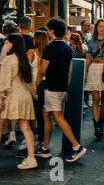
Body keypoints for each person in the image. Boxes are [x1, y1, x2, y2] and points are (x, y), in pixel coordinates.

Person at [0, 35, 39, 170]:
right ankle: (31, 157)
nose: (6, 44)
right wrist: (33, 94)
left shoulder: (9, 60)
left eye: (7, 42)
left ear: (12, 44)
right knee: (25, 127)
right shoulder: (24, 59)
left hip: (12, 97)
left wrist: (0, 100)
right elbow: (30, 81)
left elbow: (4, 82)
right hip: (25, 96)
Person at [37, 18, 86, 163]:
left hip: (52, 88)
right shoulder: (67, 48)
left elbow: (42, 71)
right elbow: (69, 72)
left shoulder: (50, 48)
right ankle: (45, 148)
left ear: (51, 31)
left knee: (57, 118)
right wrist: (66, 90)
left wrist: (34, 87)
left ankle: (77, 147)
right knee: (46, 115)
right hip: (61, 88)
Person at [85, 19, 104, 140]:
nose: (102, 28)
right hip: (94, 69)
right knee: (96, 99)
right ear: (96, 28)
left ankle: (101, 123)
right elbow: (88, 58)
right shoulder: (90, 42)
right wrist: (86, 74)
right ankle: (96, 126)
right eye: (100, 26)